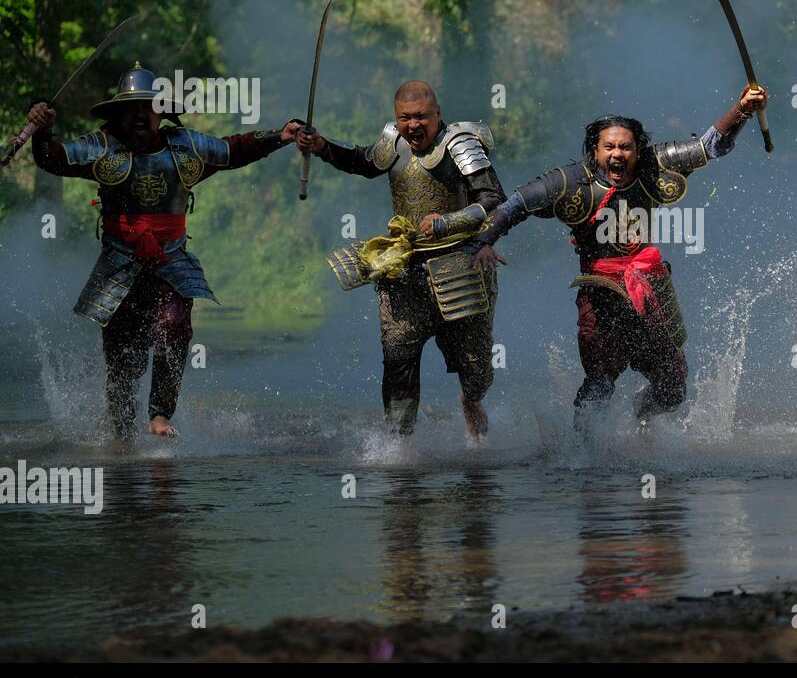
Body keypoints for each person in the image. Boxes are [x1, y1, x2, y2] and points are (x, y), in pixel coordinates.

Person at [465, 86, 767, 434]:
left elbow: (711, 147)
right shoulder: (571, 181)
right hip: (601, 292)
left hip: (649, 288)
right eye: (609, 147)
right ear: (596, 151)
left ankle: (642, 416)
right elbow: (515, 205)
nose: (618, 154)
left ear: (638, 150)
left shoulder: (655, 165)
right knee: (599, 385)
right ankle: (581, 457)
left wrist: (742, 109)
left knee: (672, 389)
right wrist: (484, 241)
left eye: (625, 146)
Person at [28, 61, 303, 441]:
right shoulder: (103, 147)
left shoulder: (184, 146)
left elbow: (231, 149)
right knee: (123, 364)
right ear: (121, 113)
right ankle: (122, 437)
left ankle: (159, 414)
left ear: (161, 111)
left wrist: (280, 136)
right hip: (119, 264)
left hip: (170, 260)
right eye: (133, 107)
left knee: (176, 325)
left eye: (150, 106)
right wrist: (42, 132)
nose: (142, 114)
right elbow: (53, 158)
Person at [295, 80, 505, 440]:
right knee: (398, 357)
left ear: (437, 113)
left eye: (421, 116)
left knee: (476, 371)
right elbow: (360, 161)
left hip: (460, 266)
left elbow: (493, 197)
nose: (413, 125)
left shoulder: (460, 143)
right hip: (403, 269)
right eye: (405, 117)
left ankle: (471, 402)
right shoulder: (392, 142)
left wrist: (448, 221)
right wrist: (323, 146)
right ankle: (399, 443)